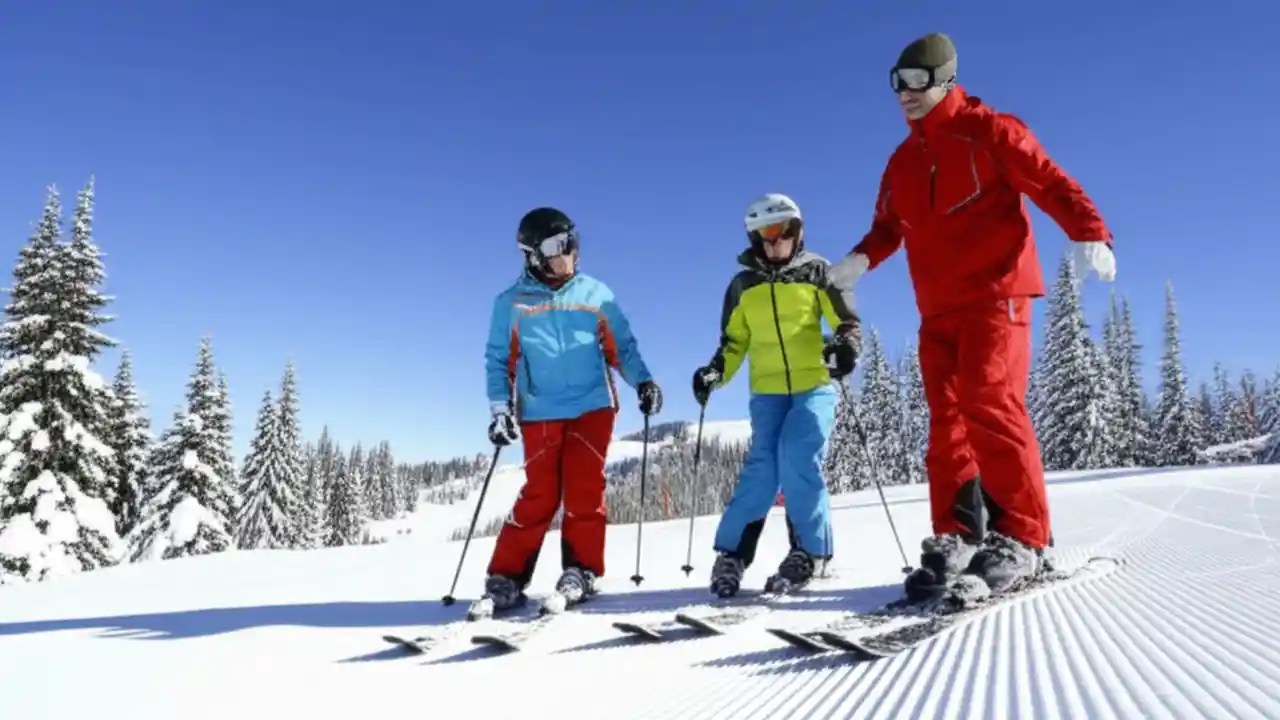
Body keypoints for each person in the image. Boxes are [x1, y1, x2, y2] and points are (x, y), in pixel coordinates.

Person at [828, 33, 1116, 598]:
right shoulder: (902, 161)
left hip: (996, 293)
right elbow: (888, 227)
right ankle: (958, 536)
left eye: (917, 81)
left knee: (990, 402)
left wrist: (1089, 231)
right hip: (937, 307)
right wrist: (861, 259)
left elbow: (1049, 180)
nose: (905, 93)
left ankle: (1024, 538)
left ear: (946, 81)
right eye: (897, 82)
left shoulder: (990, 131)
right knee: (947, 423)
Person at [479, 206, 663, 614]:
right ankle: (506, 577)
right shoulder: (511, 303)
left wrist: (644, 381)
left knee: (584, 488)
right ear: (532, 255)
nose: (568, 254)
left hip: (592, 406)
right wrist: (500, 410)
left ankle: (581, 570)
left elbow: (622, 348)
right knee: (540, 494)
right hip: (540, 410)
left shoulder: (595, 295)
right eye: (555, 247)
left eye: (571, 243)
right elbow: (498, 361)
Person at [693, 193, 862, 598]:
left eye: (783, 231)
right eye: (764, 235)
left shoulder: (818, 273)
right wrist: (715, 372)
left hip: (814, 385)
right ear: (754, 239)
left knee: (798, 455)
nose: (775, 242)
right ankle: (732, 554)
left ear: (797, 232)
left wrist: (846, 348)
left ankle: (810, 552)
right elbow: (734, 343)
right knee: (763, 468)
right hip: (767, 392)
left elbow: (846, 322)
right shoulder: (743, 286)